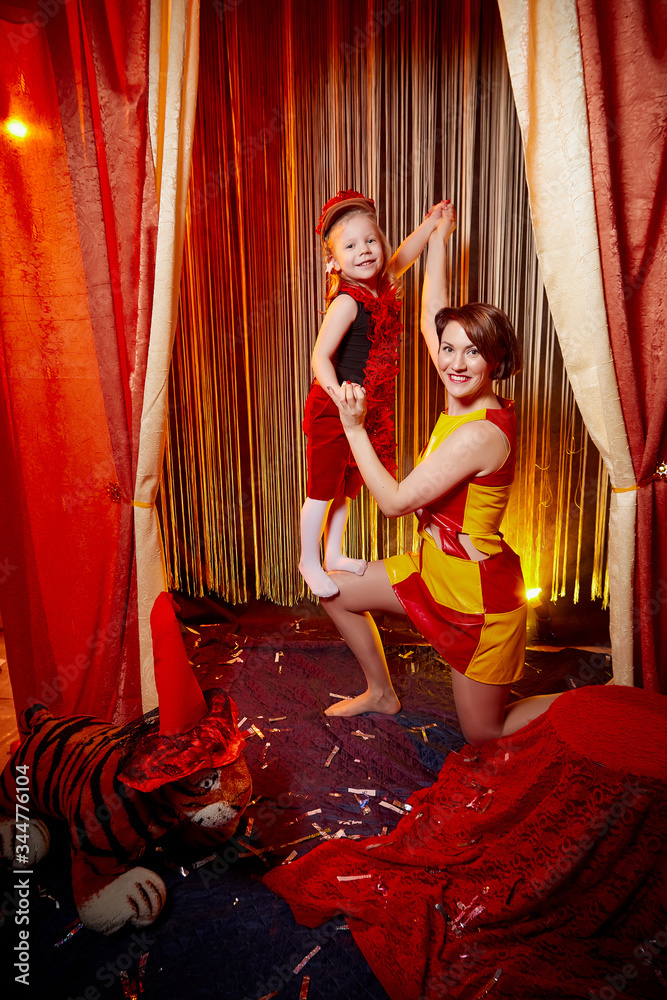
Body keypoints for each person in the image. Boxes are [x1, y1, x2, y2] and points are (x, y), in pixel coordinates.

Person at [321, 204, 561, 746]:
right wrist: (439, 235)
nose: (453, 362)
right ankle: (381, 692)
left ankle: (596, 698)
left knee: (485, 735)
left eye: (472, 353)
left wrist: (354, 430)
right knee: (333, 589)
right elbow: (435, 307)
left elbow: (395, 502)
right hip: (433, 571)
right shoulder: (461, 385)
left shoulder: (481, 431)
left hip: (479, 600)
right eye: (448, 348)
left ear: (496, 361)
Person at [299, 189, 448, 599]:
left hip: (358, 412)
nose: (364, 251)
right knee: (321, 490)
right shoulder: (348, 301)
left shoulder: (381, 285)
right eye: (350, 246)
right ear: (334, 261)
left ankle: (333, 554)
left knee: (346, 487)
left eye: (370, 241)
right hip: (333, 409)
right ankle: (307, 560)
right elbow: (319, 358)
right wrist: (340, 398)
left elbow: (403, 256)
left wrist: (430, 223)